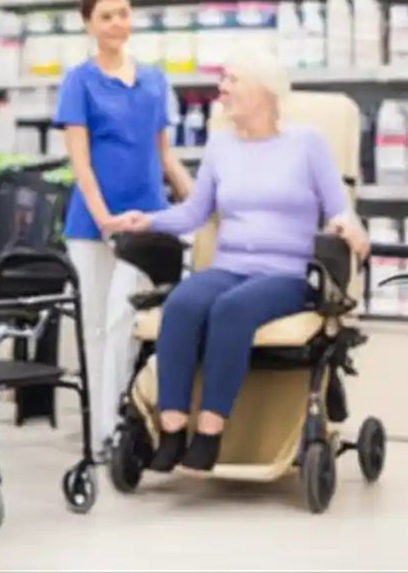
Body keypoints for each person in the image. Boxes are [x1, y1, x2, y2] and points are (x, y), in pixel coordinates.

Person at [114, 45, 369, 473]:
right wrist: (149, 220)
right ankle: (173, 429)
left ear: (263, 90)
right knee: (183, 304)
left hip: (287, 273)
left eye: (232, 80)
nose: (223, 89)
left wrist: (351, 228)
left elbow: (338, 208)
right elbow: (194, 213)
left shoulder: (306, 144)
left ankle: (210, 433)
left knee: (232, 310)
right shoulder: (220, 146)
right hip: (229, 266)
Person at [53, 0, 194, 457]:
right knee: (94, 327)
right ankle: (100, 434)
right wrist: (105, 219)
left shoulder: (154, 80)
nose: (117, 23)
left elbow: (165, 156)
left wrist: (200, 202)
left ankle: (118, 426)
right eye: (106, 16)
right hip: (92, 226)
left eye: (123, 13)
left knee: (125, 322)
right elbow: (81, 165)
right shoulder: (79, 81)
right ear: (89, 25)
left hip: (147, 223)